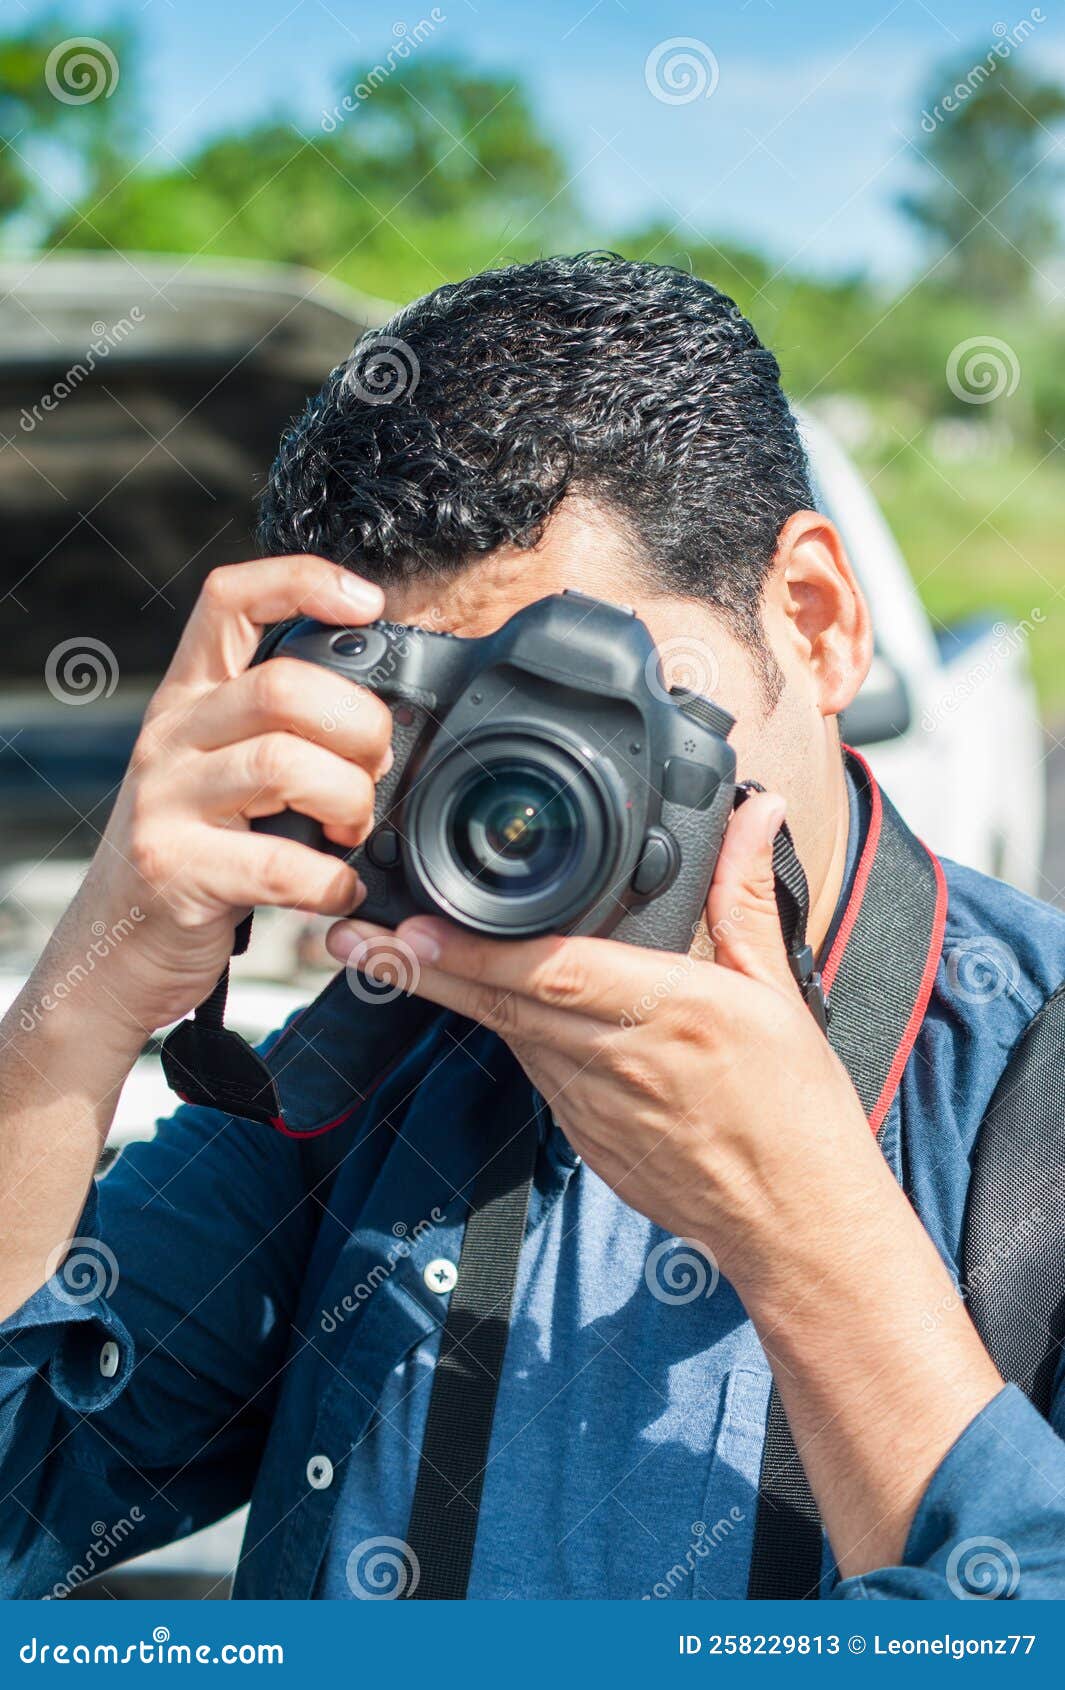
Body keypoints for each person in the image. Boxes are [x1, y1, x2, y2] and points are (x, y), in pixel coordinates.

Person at [1, 255, 1063, 1601]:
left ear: (813, 622)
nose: (530, 819)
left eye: (603, 721)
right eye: (460, 746)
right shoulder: (385, 1055)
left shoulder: (1034, 1092)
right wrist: (79, 1008)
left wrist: (807, 1237)